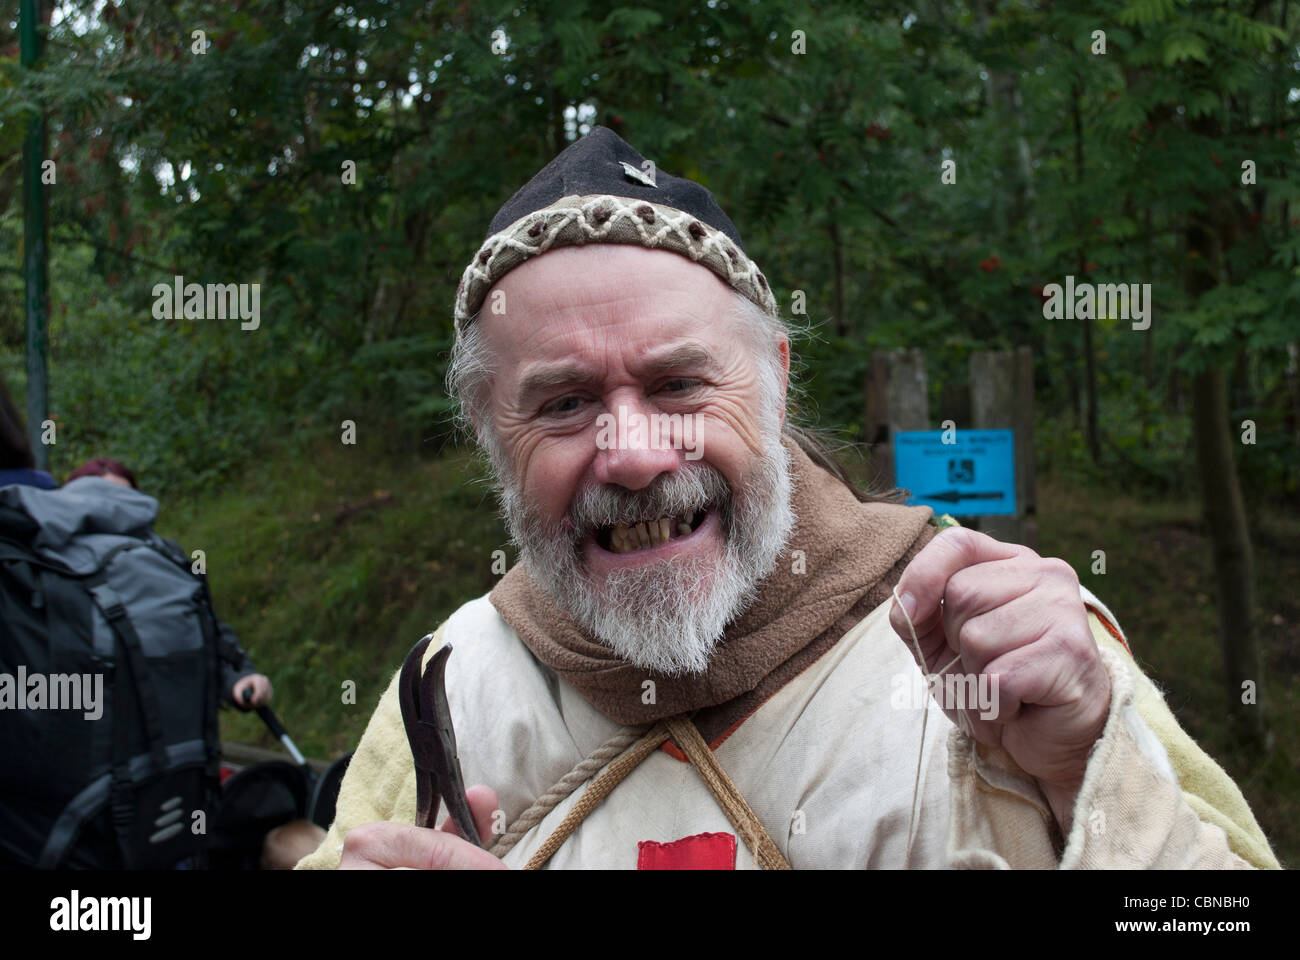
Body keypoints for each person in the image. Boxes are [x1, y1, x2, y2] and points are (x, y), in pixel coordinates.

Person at [298, 126, 1278, 870]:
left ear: (772, 374)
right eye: (563, 402)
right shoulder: (448, 693)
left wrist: (1079, 770)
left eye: (679, 384)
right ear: (488, 434)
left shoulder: (1005, 635)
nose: (634, 456)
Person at [63, 456, 273, 711]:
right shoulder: (51, 569)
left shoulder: (169, 562)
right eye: (102, 501)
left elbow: (204, 630)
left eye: (125, 500)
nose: (115, 512)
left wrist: (239, 678)